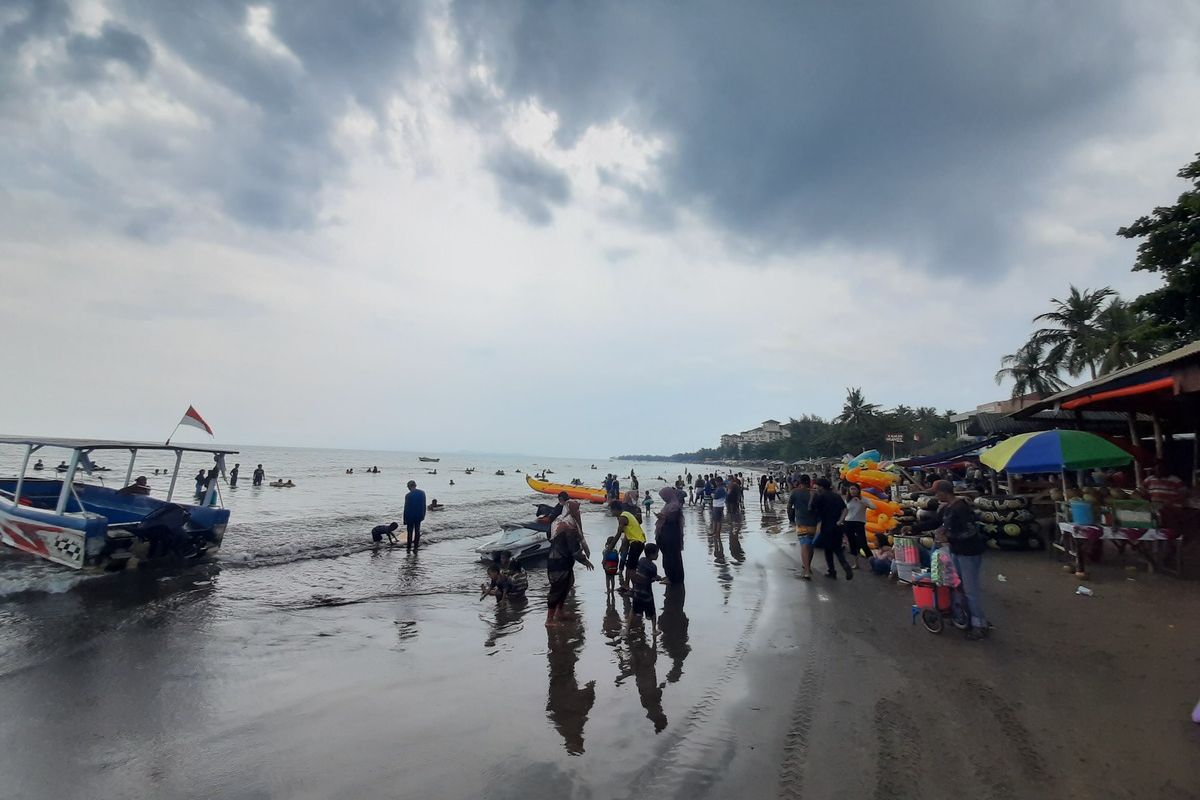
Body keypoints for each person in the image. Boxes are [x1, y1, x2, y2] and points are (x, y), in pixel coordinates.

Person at [913, 480, 989, 639]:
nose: (935, 495)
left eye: (936, 492)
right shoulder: (946, 508)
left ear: (943, 492)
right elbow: (934, 522)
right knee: (957, 585)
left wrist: (949, 536)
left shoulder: (961, 508)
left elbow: (970, 531)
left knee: (970, 590)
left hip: (969, 552)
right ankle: (964, 617)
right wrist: (913, 528)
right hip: (956, 551)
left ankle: (979, 625)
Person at [545, 501, 594, 625]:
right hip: (558, 561)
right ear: (571, 510)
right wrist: (584, 560)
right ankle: (549, 619)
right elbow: (573, 548)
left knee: (569, 582)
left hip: (563, 560)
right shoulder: (567, 525)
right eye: (577, 510)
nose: (579, 512)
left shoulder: (565, 521)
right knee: (557, 588)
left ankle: (560, 611)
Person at [812, 477, 852, 580]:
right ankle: (844, 564)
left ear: (821, 487)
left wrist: (813, 496)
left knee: (828, 550)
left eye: (817, 487)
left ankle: (832, 571)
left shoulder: (820, 497)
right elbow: (845, 509)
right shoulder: (836, 496)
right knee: (837, 548)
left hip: (826, 527)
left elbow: (811, 509)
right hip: (838, 527)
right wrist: (840, 520)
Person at [629, 542, 667, 636]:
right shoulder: (653, 567)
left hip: (637, 592)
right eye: (657, 553)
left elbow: (644, 575)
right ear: (652, 554)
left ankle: (627, 629)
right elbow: (652, 578)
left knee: (633, 611)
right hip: (647, 594)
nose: (658, 555)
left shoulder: (641, 560)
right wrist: (658, 578)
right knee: (653, 613)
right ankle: (654, 630)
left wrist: (655, 577)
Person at [611, 499, 647, 593]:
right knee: (629, 566)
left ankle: (635, 588)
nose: (611, 512)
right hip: (638, 542)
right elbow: (628, 532)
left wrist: (610, 548)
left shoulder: (622, 517)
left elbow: (618, 534)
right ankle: (626, 585)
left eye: (611, 510)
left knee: (631, 568)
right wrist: (623, 545)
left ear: (615, 509)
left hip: (637, 543)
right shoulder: (626, 514)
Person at [788, 475, 819, 579]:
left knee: (804, 546)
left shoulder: (795, 492)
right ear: (809, 482)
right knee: (810, 545)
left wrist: (791, 519)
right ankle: (808, 566)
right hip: (813, 523)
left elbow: (789, 506)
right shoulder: (815, 493)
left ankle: (806, 571)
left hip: (801, 522)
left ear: (799, 482)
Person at [655, 487, 685, 584]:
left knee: (672, 557)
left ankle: (673, 578)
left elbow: (672, 520)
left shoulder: (674, 506)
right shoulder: (669, 504)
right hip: (667, 534)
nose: (663, 499)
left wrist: (663, 517)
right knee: (669, 557)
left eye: (664, 496)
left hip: (671, 535)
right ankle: (670, 576)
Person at [840, 485, 871, 569]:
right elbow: (844, 511)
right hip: (848, 522)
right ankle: (856, 563)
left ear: (858, 490)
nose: (853, 491)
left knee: (863, 543)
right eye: (851, 489)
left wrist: (861, 501)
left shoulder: (863, 499)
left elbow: (873, 507)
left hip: (859, 522)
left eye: (855, 489)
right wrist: (841, 520)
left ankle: (872, 561)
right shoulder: (847, 500)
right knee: (852, 543)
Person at [403, 480, 427, 551]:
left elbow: (406, 508)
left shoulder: (408, 495)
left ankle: (409, 547)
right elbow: (424, 505)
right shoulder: (422, 493)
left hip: (410, 516)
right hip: (419, 515)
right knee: (417, 531)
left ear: (410, 487)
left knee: (410, 532)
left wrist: (404, 519)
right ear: (415, 485)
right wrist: (423, 515)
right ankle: (416, 547)